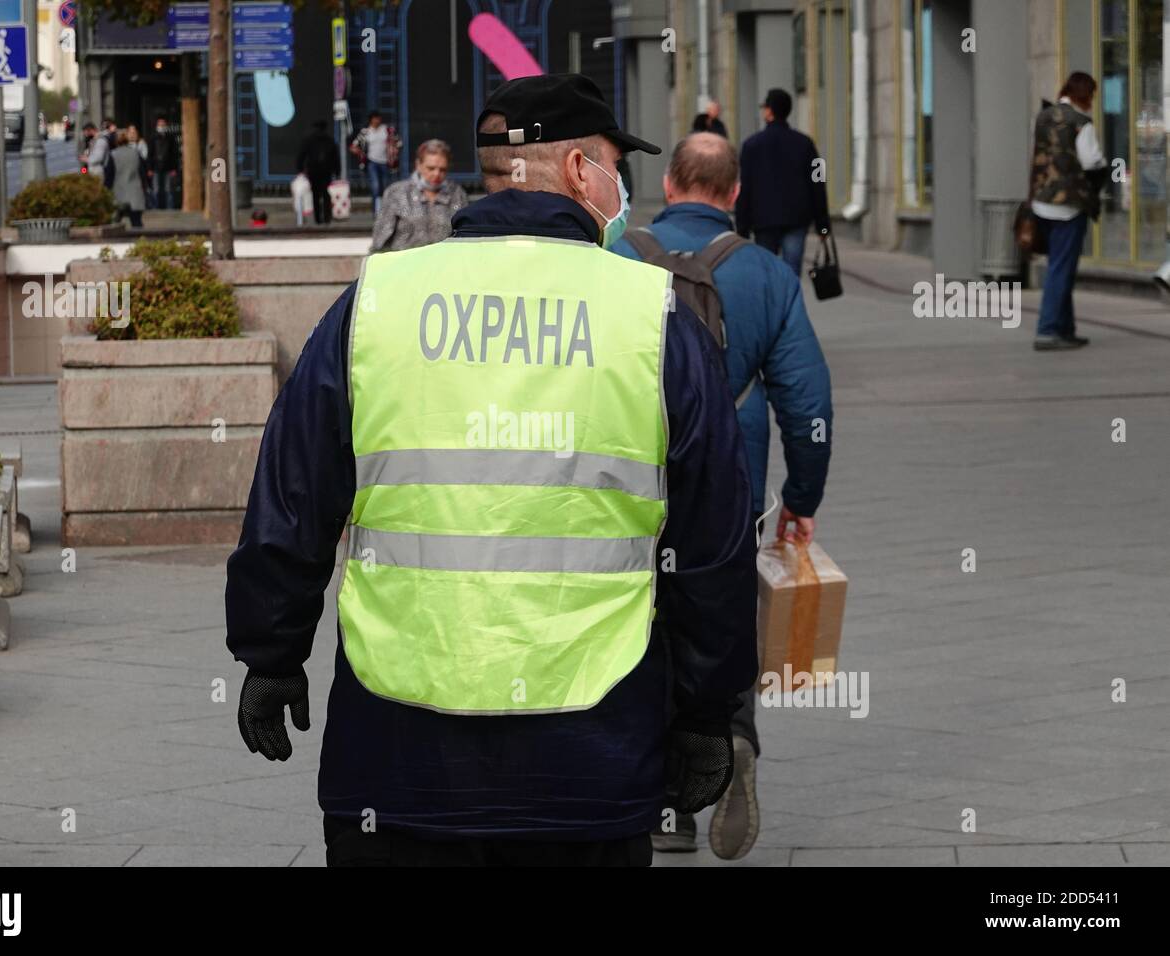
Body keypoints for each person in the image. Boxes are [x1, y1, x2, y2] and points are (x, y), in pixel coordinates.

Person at [226, 73, 759, 868]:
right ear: (580, 172)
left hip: (399, 756)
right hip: (590, 761)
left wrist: (271, 653)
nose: (623, 188)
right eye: (617, 165)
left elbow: (293, 492)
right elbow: (713, 538)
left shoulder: (377, 303)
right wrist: (708, 713)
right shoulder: (654, 317)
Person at [613, 131, 833, 859]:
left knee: (639, 629)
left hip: (628, 490)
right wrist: (802, 495)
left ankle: (663, 808)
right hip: (730, 488)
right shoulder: (767, 275)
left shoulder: (615, 260)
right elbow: (807, 402)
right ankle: (733, 739)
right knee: (722, 623)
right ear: (734, 194)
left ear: (669, 184)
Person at [1029, 72, 1107, 351]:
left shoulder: (1043, 116)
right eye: (1092, 96)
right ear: (1085, 95)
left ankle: (1065, 328)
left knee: (1059, 266)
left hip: (1040, 202)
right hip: (1068, 206)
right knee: (1061, 269)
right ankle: (1048, 330)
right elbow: (1091, 160)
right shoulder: (1080, 122)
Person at [733, 89, 831, 277]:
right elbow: (818, 183)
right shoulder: (805, 144)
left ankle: (770, 305)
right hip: (796, 219)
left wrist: (742, 228)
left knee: (766, 272)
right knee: (791, 273)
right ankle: (789, 305)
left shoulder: (751, 145)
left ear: (769, 112)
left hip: (763, 220)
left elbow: (745, 188)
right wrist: (823, 225)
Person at [370, 139, 469, 252]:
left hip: (443, 266)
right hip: (404, 265)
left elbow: (464, 237)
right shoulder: (397, 192)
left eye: (442, 169)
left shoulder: (457, 194)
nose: (436, 174)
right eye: (431, 168)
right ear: (418, 165)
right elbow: (380, 240)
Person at [350, 110, 402, 216]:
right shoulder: (365, 132)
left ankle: (385, 211)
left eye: (378, 118)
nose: (377, 120)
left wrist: (395, 149)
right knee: (376, 186)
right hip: (372, 162)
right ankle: (376, 211)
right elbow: (354, 146)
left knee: (385, 187)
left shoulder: (387, 130)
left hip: (385, 162)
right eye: (375, 118)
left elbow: (399, 142)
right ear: (371, 120)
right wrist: (360, 153)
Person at [296, 120, 341, 225]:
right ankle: (327, 217)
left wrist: (300, 169)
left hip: (313, 170)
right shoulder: (329, 140)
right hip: (327, 171)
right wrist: (337, 171)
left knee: (315, 195)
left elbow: (302, 155)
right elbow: (335, 158)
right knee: (326, 194)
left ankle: (317, 218)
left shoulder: (309, 140)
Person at [109, 128, 146, 228]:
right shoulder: (135, 153)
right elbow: (142, 172)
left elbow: (109, 175)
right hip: (135, 191)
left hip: (118, 192)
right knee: (137, 222)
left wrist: (107, 190)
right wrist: (145, 188)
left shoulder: (113, 155)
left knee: (115, 222)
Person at [150, 115, 180, 210]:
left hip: (168, 167)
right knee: (156, 189)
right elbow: (150, 154)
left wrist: (174, 168)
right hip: (155, 167)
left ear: (166, 125)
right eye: (160, 124)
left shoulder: (171, 138)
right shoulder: (153, 138)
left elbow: (175, 154)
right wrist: (150, 168)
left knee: (169, 189)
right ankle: (155, 208)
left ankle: (170, 208)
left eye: (163, 124)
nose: (161, 126)